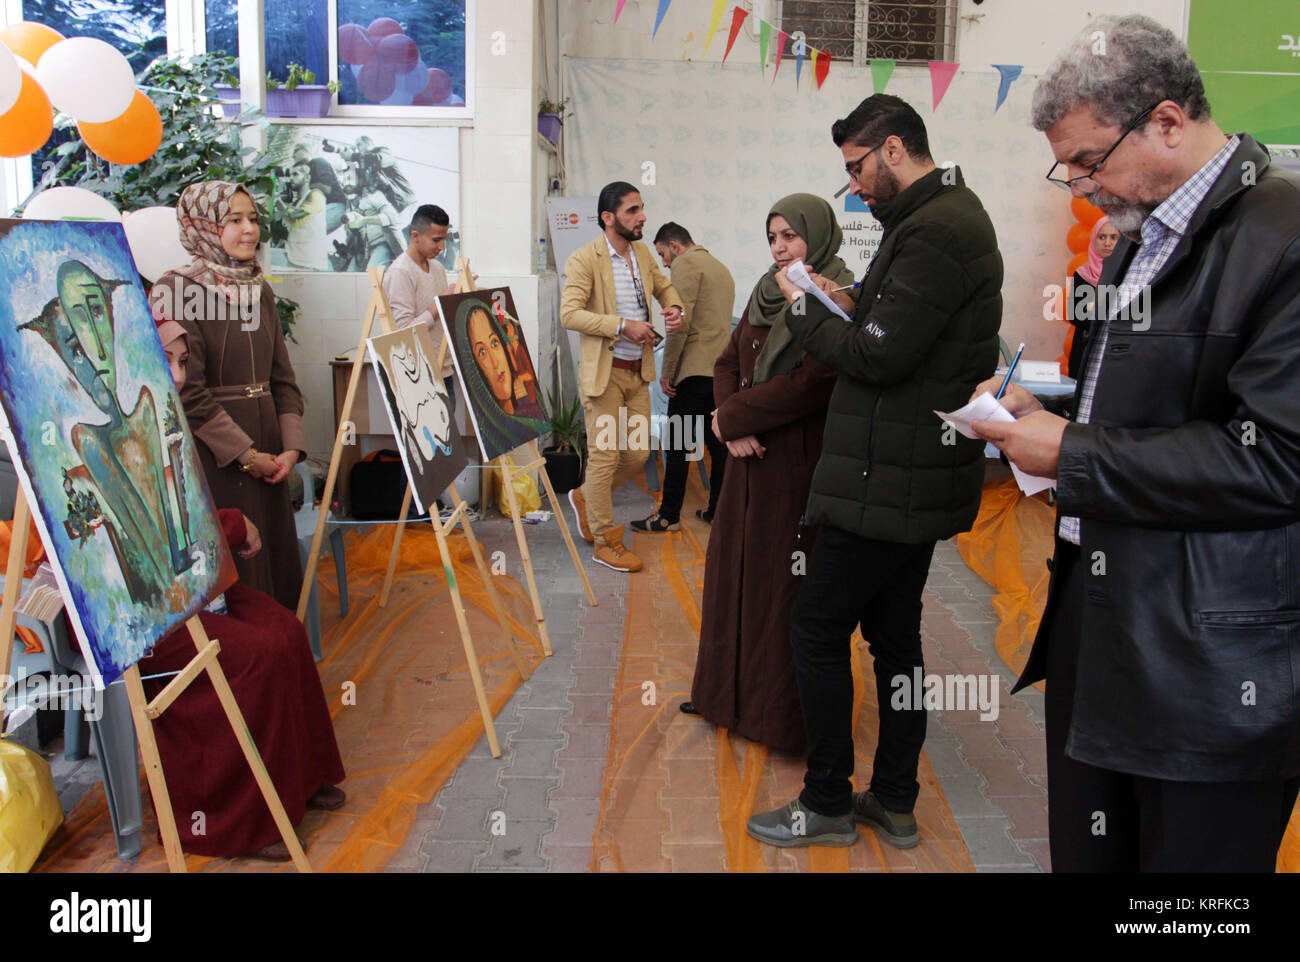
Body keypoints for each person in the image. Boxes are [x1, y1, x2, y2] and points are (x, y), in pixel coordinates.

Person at [971, 14, 1300, 873]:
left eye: (1089, 160)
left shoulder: (1285, 236)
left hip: (1212, 658)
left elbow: (1273, 460)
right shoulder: (1139, 237)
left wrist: (1069, 453)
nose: (1080, 187)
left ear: (1166, 119)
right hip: (1103, 613)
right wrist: (1033, 412)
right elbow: (1137, 398)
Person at [746, 94, 1003, 849]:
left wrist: (803, 311)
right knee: (896, 641)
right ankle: (892, 799)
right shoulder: (928, 217)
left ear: (893, 149)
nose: (852, 185)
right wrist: (839, 295)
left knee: (817, 628)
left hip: (888, 479)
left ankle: (826, 800)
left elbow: (880, 355)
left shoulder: (939, 229)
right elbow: (891, 322)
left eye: (855, 168)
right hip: (903, 471)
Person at [142, 313, 345, 862]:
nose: (180, 377)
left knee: (283, 629)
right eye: (167, 360)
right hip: (143, 611)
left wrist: (225, 522)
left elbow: (182, 510)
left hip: (193, 582)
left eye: (184, 362)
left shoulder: (158, 413)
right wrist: (230, 525)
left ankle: (300, 781)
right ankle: (246, 822)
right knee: (252, 656)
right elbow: (141, 545)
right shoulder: (115, 428)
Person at [684, 196, 849, 755]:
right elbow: (727, 363)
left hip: (794, 466)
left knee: (780, 589)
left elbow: (815, 380)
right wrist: (731, 426)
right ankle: (720, 697)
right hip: (745, 462)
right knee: (732, 574)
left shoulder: (837, 297)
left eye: (791, 237)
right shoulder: (765, 291)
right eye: (773, 237)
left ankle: (773, 718)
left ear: (817, 237)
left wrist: (732, 417)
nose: (780, 248)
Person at [149, 181, 307, 612]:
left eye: (252, 218)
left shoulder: (260, 289)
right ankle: (240, 672)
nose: (249, 230)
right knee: (242, 570)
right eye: (233, 220)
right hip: (218, 457)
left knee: (277, 565)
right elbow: (186, 392)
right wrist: (245, 454)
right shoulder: (175, 290)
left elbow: (283, 379)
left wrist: (289, 447)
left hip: (270, 454)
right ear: (201, 226)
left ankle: (281, 662)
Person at [560, 181, 683, 573]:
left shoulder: (643, 253)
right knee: (604, 456)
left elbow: (664, 286)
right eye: (632, 210)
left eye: (642, 208)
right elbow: (570, 314)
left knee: (636, 454)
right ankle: (604, 541)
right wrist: (621, 326)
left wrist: (674, 306)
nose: (642, 216)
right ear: (608, 217)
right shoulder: (584, 259)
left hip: (638, 373)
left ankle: (584, 498)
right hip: (604, 376)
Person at [632, 222, 734, 531]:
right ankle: (718, 511)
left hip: (692, 372)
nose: (663, 262)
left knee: (676, 444)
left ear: (674, 246)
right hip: (719, 371)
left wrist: (667, 373)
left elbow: (680, 325)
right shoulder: (720, 268)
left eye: (663, 254)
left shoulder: (686, 265)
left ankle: (668, 516)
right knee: (718, 447)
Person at [451, 300, 549, 458]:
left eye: (494, 342)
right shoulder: (493, 432)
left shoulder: (531, 414)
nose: (495, 362)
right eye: (482, 352)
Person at [383, 204, 457, 408]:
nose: (442, 247)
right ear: (415, 236)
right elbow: (403, 333)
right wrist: (438, 305)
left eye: (444, 239)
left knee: (449, 438)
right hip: (417, 376)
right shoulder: (400, 272)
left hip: (443, 369)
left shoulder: (437, 268)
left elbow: (443, 320)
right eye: (436, 240)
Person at [1064, 215, 1118, 377]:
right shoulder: (1082, 275)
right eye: (1102, 237)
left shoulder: (1127, 274)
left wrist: (1093, 307)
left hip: (1115, 353)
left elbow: (1134, 316)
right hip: (1084, 352)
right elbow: (1076, 316)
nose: (1107, 243)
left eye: (1114, 237)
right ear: (1094, 239)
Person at [283, 161, 329, 271]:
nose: (291, 178)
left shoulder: (316, 195)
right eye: (289, 175)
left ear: (307, 177)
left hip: (311, 264)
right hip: (294, 261)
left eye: (295, 174)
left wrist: (279, 204)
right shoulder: (296, 203)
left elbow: (296, 217)